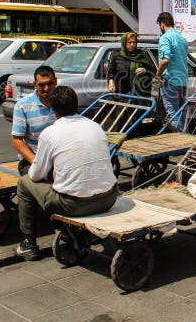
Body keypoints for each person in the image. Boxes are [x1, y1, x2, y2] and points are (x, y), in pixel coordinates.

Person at [15, 85, 119, 261]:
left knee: (24, 182)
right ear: (76, 105)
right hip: (108, 198)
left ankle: (28, 243)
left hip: (73, 205)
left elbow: (36, 175)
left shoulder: (49, 133)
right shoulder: (95, 126)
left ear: (53, 110)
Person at [11, 66, 57, 175]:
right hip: (32, 159)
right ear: (35, 84)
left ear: (55, 81)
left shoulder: (61, 101)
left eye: (49, 84)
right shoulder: (22, 105)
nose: (46, 88)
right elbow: (17, 140)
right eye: (42, 85)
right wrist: (37, 163)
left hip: (58, 158)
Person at [155, 12, 189, 131]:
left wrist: (158, 74)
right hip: (183, 81)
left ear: (162, 24)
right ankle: (187, 141)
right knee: (182, 114)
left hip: (170, 82)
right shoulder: (182, 39)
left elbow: (165, 60)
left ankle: (180, 144)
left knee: (173, 115)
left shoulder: (165, 38)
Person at [107, 32, 154, 97]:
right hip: (122, 94)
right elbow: (111, 72)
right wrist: (111, 82)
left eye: (134, 42)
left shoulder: (141, 55)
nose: (132, 45)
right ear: (124, 43)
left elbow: (152, 71)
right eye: (129, 42)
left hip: (140, 95)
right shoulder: (117, 55)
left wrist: (144, 70)